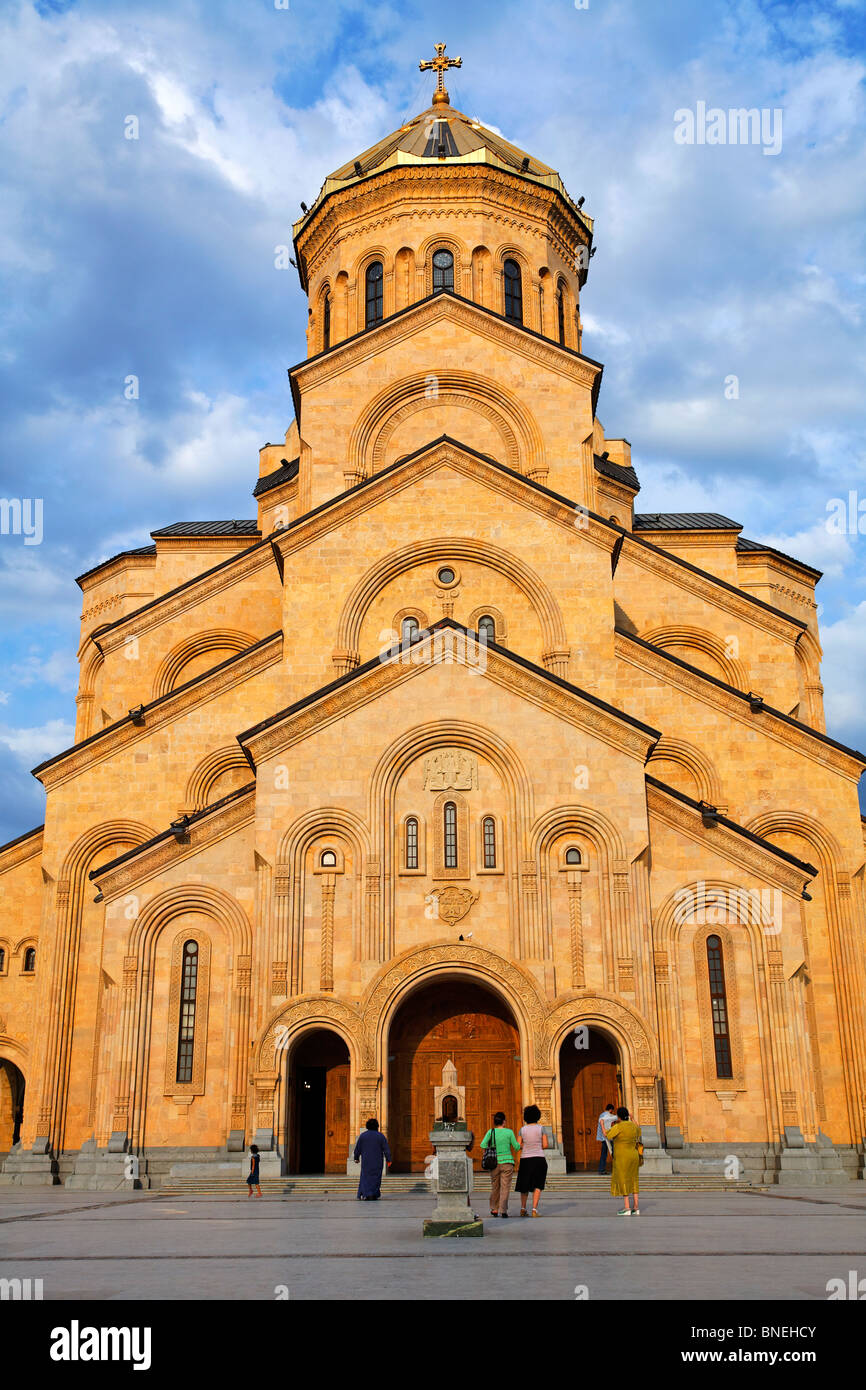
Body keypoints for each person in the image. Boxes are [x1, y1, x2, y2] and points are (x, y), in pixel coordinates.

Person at [480, 1111, 520, 1217]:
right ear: (504, 1121)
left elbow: (483, 1144)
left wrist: (487, 1153)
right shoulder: (509, 1132)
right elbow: (516, 1147)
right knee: (505, 1187)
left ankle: (494, 1209)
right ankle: (503, 1210)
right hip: (507, 1162)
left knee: (495, 1187)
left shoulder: (491, 1132)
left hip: (494, 1163)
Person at [606, 1105, 642, 1216]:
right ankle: (636, 1207)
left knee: (623, 1179)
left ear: (618, 1116)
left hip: (622, 1157)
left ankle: (627, 1207)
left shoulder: (619, 1126)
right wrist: (633, 1119)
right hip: (634, 1156)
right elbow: (639, 1130)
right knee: (634, 1179)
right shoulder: (632, 1126)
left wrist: (602, 1125)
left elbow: (608, 1135)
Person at [516, 1104, 549, 1217]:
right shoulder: (541, 1128)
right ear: (537, 1116)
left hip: (525, 1159)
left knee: (524, 1185)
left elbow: (518, 1145)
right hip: (539, 1159)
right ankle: (534, 1209)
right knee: (538, 1185)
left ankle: (523, 1208)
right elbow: (545, 1144)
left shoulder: (522, 1129)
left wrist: (527, 1144)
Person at [353, 1117, 391, 1200]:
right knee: (376, 1177)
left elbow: (357, 1148)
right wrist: (389, 1159)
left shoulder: (363, 1136)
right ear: (377, 1126)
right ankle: (373, 1194)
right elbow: (386, 1149)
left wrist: (356, 1158)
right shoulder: (381, 1136)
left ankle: (366, 1193)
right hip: (377, 1161)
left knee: (365, 1177)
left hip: (366, 1161)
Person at [597, 1102, 618, 1174]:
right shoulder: (607, 1116)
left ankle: (601, 1169)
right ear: (611, 1110)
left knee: (604, 1154)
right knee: (613, 1153)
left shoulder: (601, 1115)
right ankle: (616, 1168)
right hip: (607, 1137)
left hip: (603, 1138)